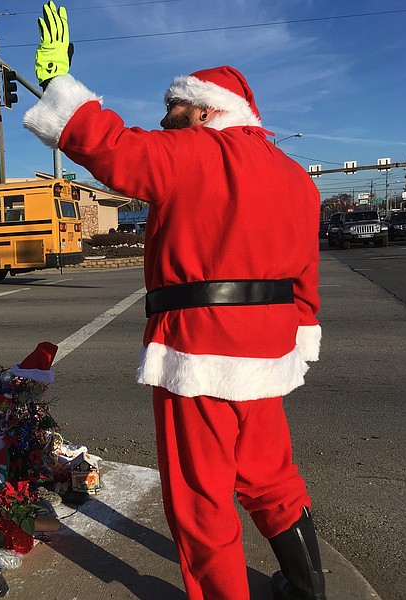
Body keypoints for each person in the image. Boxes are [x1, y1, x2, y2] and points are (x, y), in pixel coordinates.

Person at [23, 4, 325, 600]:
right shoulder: (296, 177)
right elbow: (306, 279)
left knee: (201, 497)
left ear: (208, 111)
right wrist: (302, 334)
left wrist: (58, 81)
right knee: (270, 475)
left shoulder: (191, 155)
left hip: (199, 349)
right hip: (270, 351)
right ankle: (306, 584)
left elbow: (110, 147)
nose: (163, 120)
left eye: (174, 110)